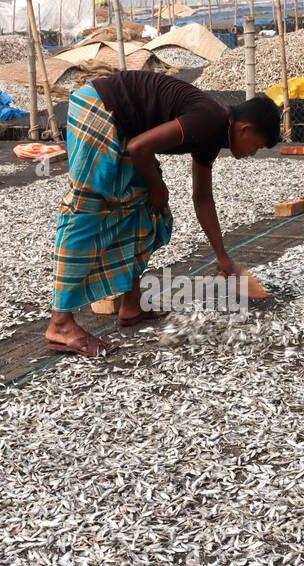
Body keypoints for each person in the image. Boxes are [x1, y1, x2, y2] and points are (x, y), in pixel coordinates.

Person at [46, 70, 281, 357]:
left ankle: (131, 303)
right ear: (244, 129)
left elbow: (202, 199)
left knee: (145, 212)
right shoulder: (209, 120)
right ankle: (60, 324)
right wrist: (158, 187)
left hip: (121, 123)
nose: (252, 153)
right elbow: (138, 147)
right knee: (87, 208)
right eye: (256, 146)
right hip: (98, 107)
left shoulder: (214, 133)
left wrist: (223, 258)